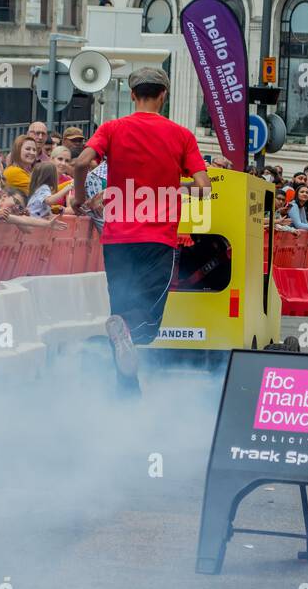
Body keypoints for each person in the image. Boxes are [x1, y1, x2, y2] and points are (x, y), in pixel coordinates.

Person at [71, 66, 211, 389]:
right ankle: (126, 363)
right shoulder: (181, 135)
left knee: (119, 316)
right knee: (147, 325)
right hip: (157, 239)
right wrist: (174, 190)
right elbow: (203, 187)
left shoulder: (112, 127)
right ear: (164, 95)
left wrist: (80, 198)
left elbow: (80, 162)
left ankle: (126, 397)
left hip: (117, 239)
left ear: (133, 95)